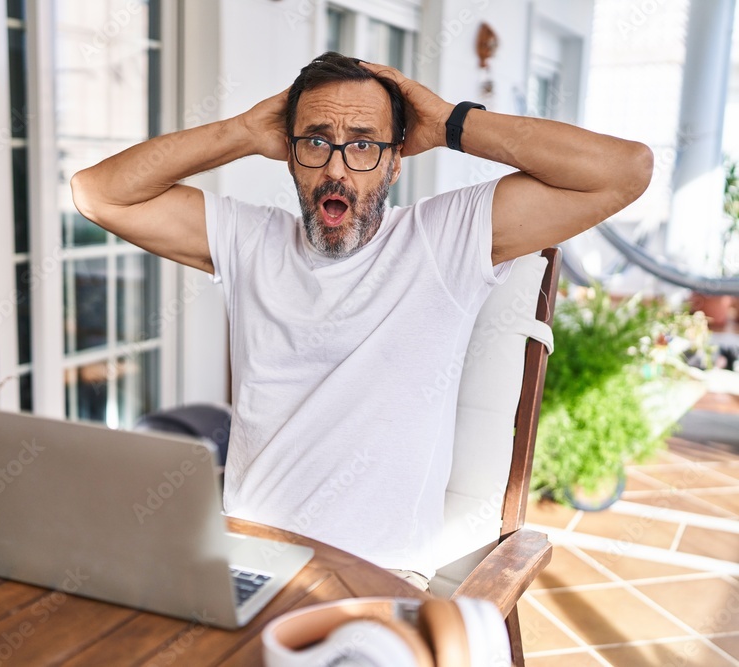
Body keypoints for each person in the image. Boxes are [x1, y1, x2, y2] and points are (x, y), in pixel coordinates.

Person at [71, 52, 653, 586]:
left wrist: (449, 123)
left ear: (396, 162)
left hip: (377, 576)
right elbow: (97, 193)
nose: (337, 169)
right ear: (290, 156)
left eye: (364, 145)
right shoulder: (249, 240)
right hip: (244, 560)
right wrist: (243, 131)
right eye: (316, 142)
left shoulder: (444, 239)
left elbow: (625, 170)